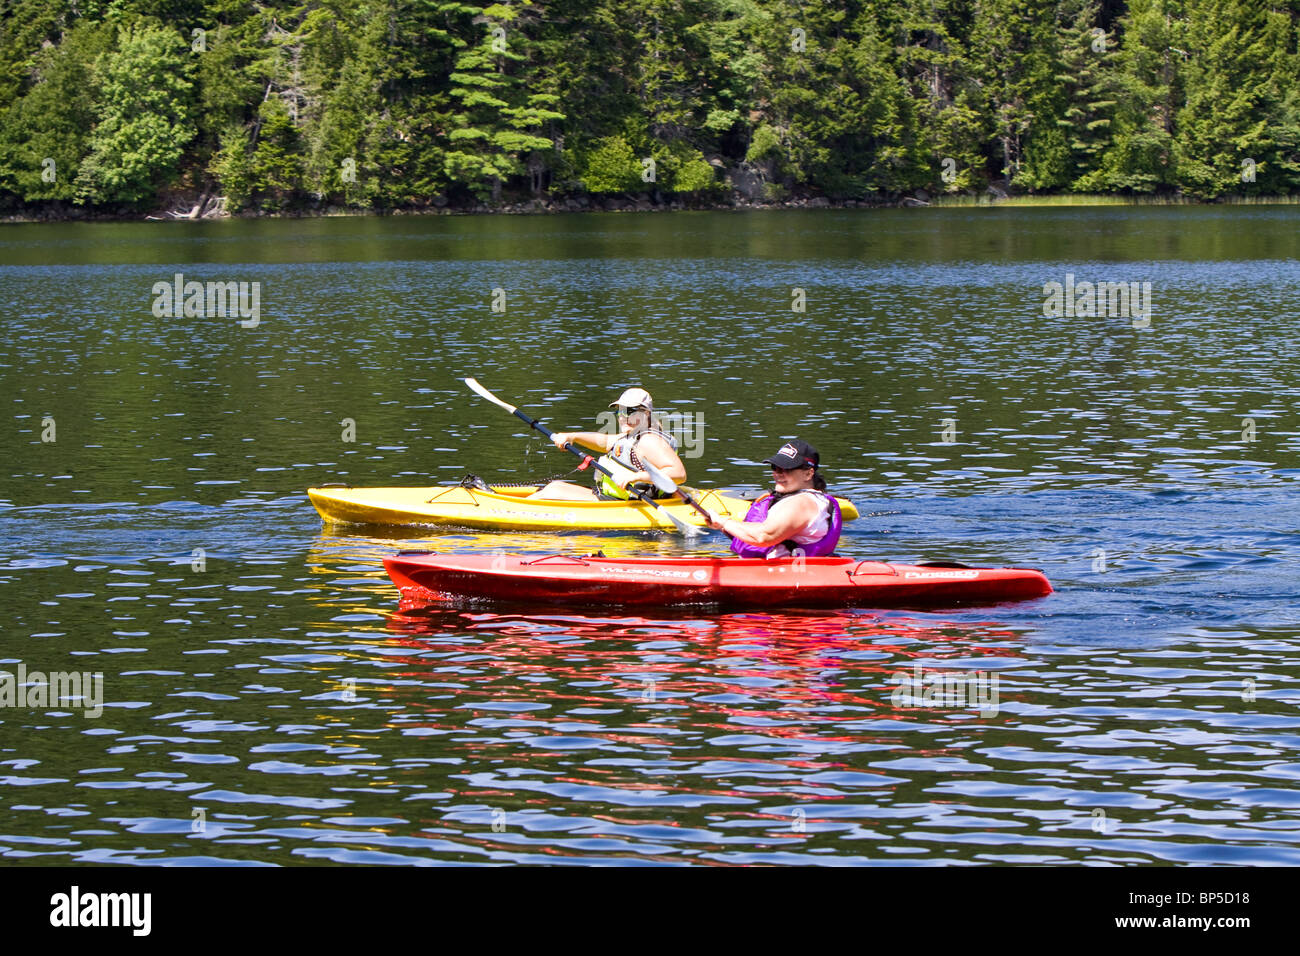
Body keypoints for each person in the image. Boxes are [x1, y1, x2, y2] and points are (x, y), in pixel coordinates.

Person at [529, 387, 687, 501]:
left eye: (629, 411)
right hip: (615, 498)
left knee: (554, 490)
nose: (622, 417)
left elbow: (679, 474)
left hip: (632, 504)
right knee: (554, 487)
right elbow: (604, 442)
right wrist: (572, 436)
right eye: (619, 412)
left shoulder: (649, 440)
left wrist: (636, 476)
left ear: (645, 413)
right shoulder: (633, 434)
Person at [707, 439, 841, 558]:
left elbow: (765, 536)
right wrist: (724, 527)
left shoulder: (802, 503)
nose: (777, 474)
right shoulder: (802, 499)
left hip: (791, 577)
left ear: (808, 474)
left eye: (786, 469)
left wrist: (725, 522)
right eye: (775, 468)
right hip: (782, 574)